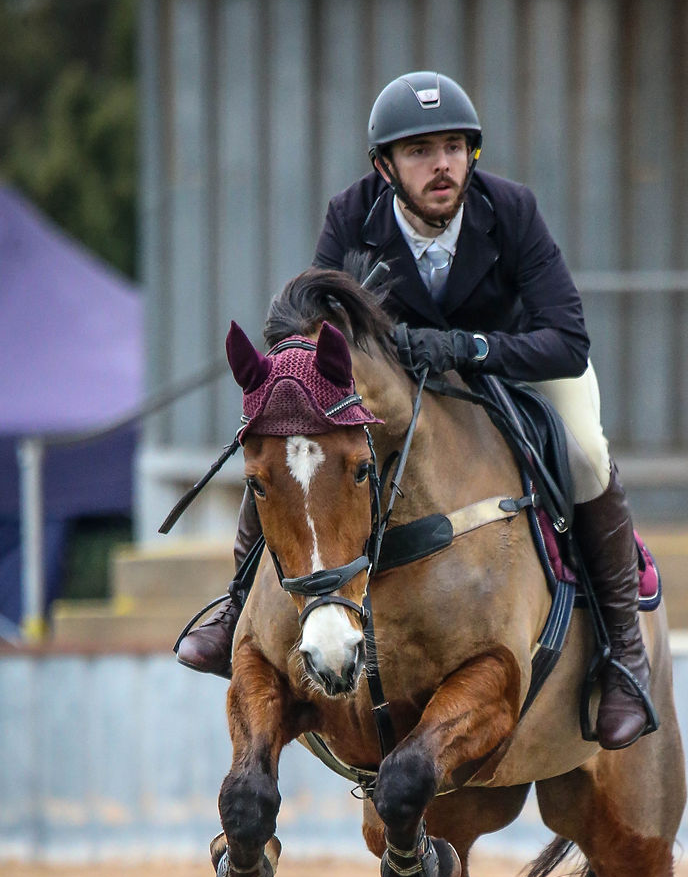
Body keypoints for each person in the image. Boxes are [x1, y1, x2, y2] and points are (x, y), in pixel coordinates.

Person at [178, 70, 655, 749]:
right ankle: (235, 610)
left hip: (514, 369)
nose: (443, 165)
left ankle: (624, 654)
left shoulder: (511, 210)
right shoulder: (354, 214)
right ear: (385, 166)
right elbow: (307, 328)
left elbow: (567, 339)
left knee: (582, 449)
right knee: (295, 439)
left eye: (456, 147)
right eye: (422, 150)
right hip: (397, 383)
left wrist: (467, 345)